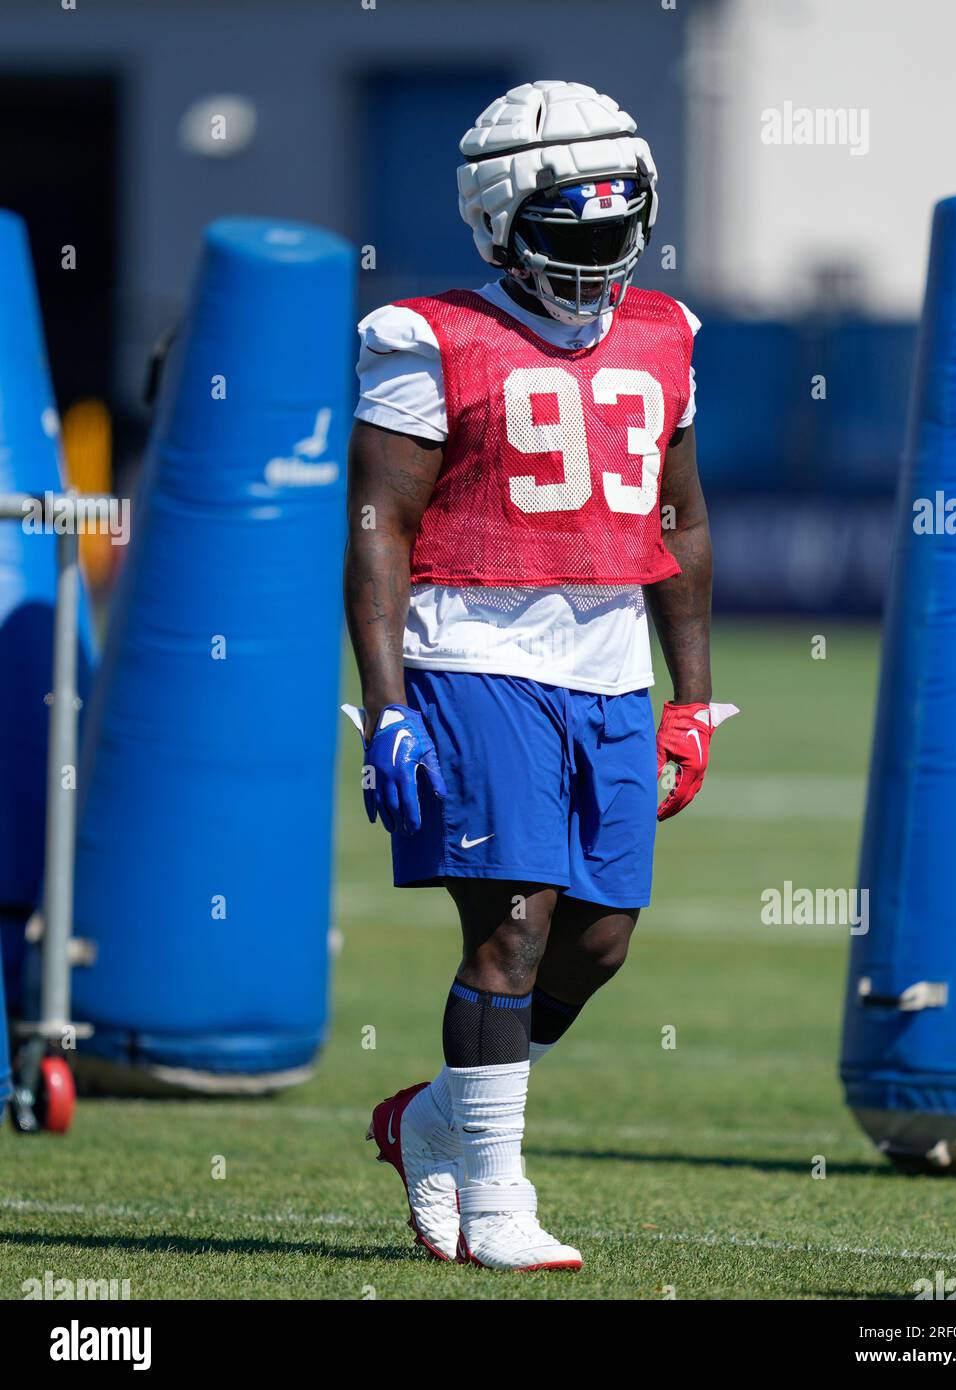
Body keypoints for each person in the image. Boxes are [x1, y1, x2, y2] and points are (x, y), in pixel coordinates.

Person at [343, 79, 735, 1273]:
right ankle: (498, 1194)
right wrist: (390, 705)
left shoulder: (666, 332)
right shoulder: (423, 336)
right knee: (510, 928)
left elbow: (680, 520)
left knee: (599, 940)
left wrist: (691, 698)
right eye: (568, 230)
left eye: (614, 229)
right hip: (475, 652)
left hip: (607, 663)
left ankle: (429, 1121)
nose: (595, 257)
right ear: (500, 223)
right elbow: (378, 526)